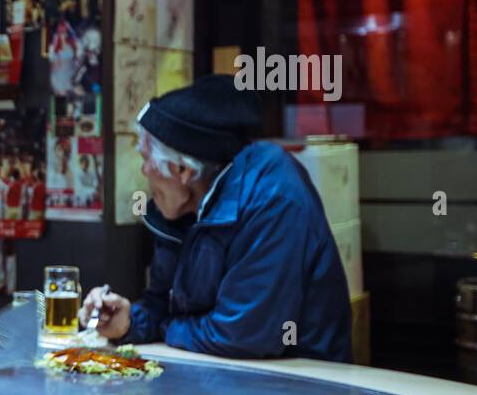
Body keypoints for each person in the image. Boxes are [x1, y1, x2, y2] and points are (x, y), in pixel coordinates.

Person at [80, 74, 351, 361]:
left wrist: (163, 326)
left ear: (183, 171)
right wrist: (129, 321)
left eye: (146, 159)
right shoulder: (179, 208)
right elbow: (162, 304)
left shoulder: (274, 196)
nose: (144, 171)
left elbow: (244, 335)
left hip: (303, 388)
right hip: (224, 379)